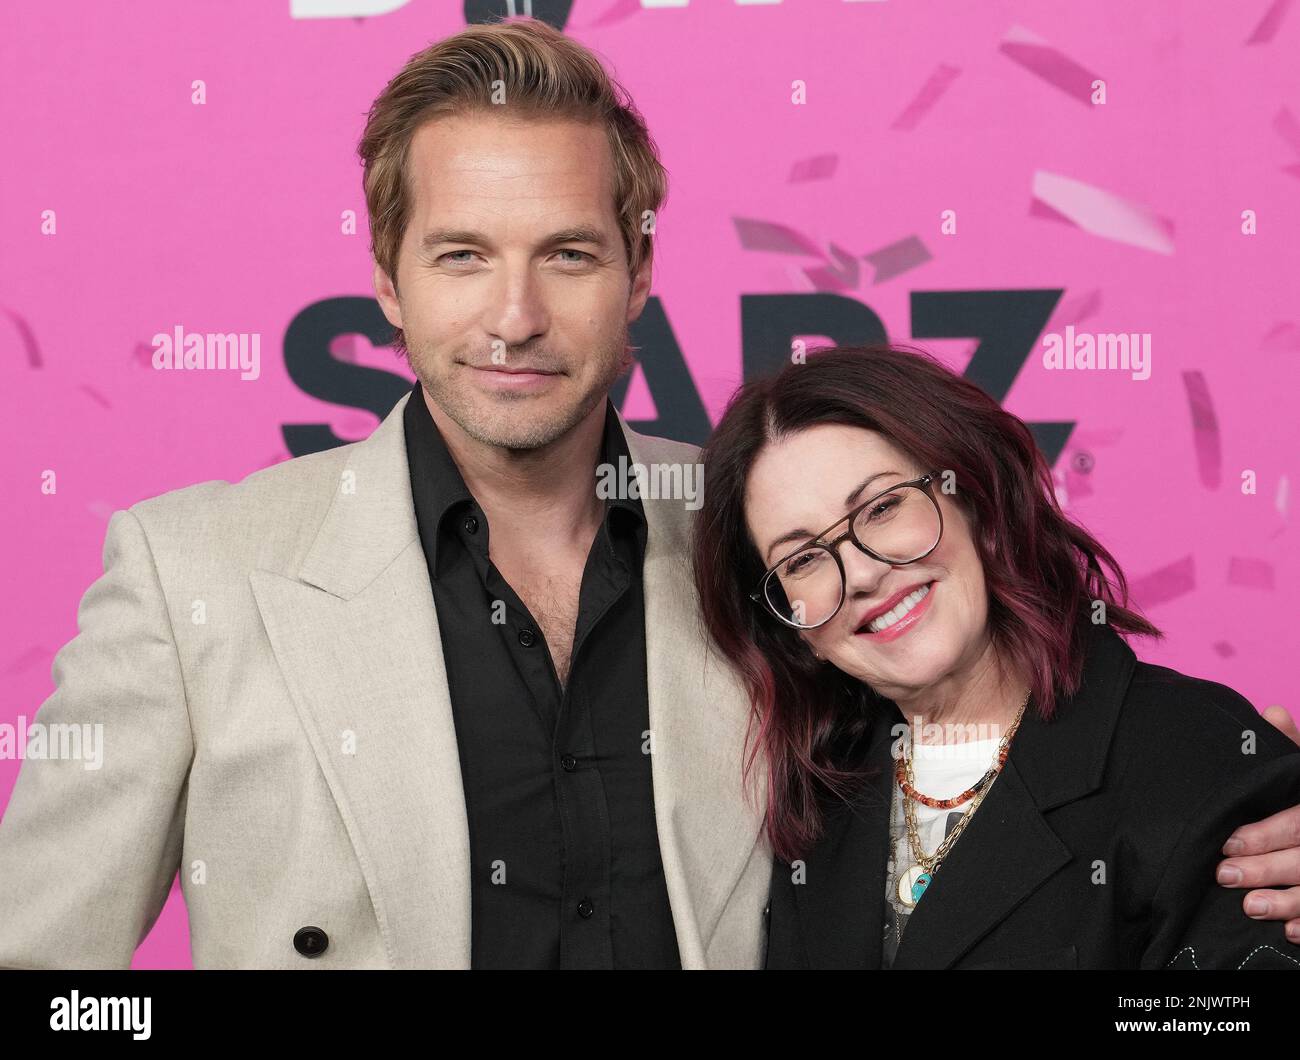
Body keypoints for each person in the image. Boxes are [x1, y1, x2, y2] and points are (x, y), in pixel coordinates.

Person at [0, 19, 1296, 969]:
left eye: (568, 254)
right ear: (388, 280)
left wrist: (1245, 797)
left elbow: (1027, 726)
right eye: (462, 256)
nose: (514, 317)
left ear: (638, 273)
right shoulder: (193, 572)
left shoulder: (764, 533)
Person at [690, 342, 1300, 968]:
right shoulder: (803, 810)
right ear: (789, 624)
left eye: (882, 507)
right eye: (803, 559)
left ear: (977, 498)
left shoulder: (1203, 756)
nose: (864, 575)